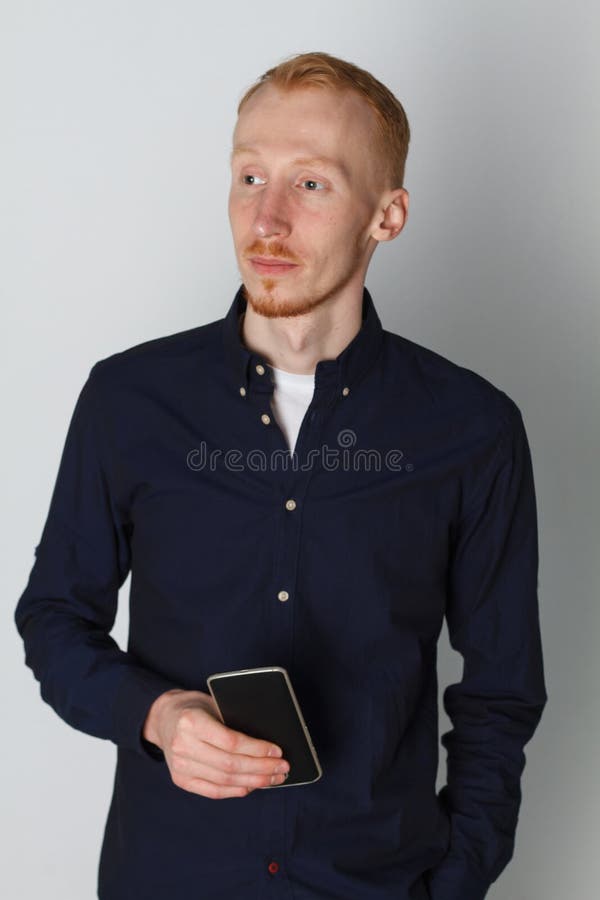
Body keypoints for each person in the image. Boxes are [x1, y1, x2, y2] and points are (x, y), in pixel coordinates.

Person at [14, 51, 547, 900]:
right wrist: (156, 716)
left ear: (388, 215)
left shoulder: (474, 430)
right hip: (167, 878)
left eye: (310, 185)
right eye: (249, 175)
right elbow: (53, 620)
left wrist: (455, 882)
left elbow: (501, 693)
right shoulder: (128, 400)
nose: (265, 219)